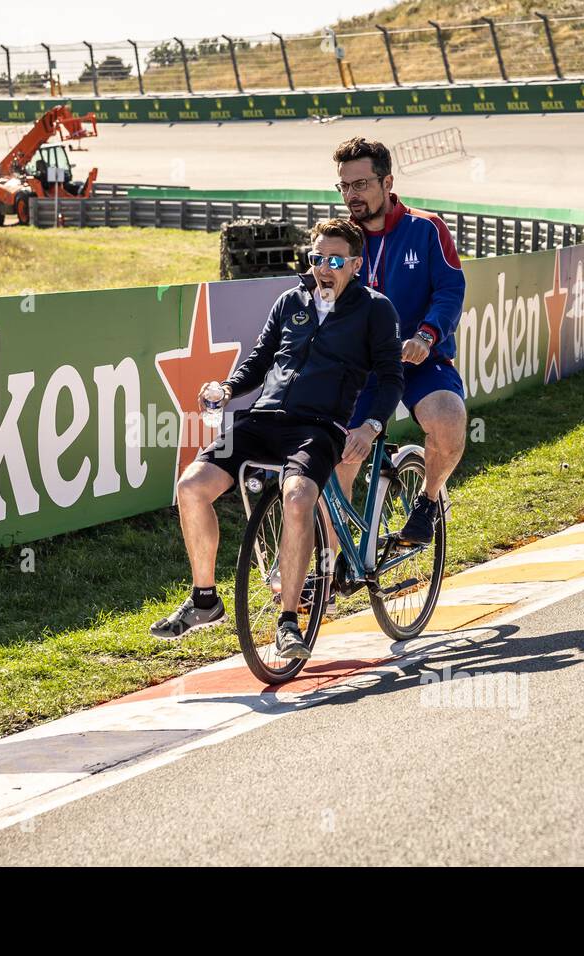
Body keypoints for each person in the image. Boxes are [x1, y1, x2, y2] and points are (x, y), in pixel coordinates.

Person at [149, 219, 403, 659]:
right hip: (263, 418)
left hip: (318, 426)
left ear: (356, 265)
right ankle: (205, 599)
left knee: (299, 497)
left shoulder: (375, 308)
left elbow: (391, 377)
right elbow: (260, 359)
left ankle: (290, 621)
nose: (324, 267)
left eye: (335, 260)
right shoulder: (290, 301)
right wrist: (227, 389)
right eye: (316, 258)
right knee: (190, 488)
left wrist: (371, 425)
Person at [331, 136, 467, 546]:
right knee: (337, 461)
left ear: (387, 182)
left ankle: (427, 503)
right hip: (362, 369)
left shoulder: (426, 228)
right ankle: (332, 566)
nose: (351, 196)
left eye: (361, 185)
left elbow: (449, 290)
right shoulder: (340, 240)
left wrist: (426, 336)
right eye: (344, 186)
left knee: (448, 420)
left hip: (417, 360)